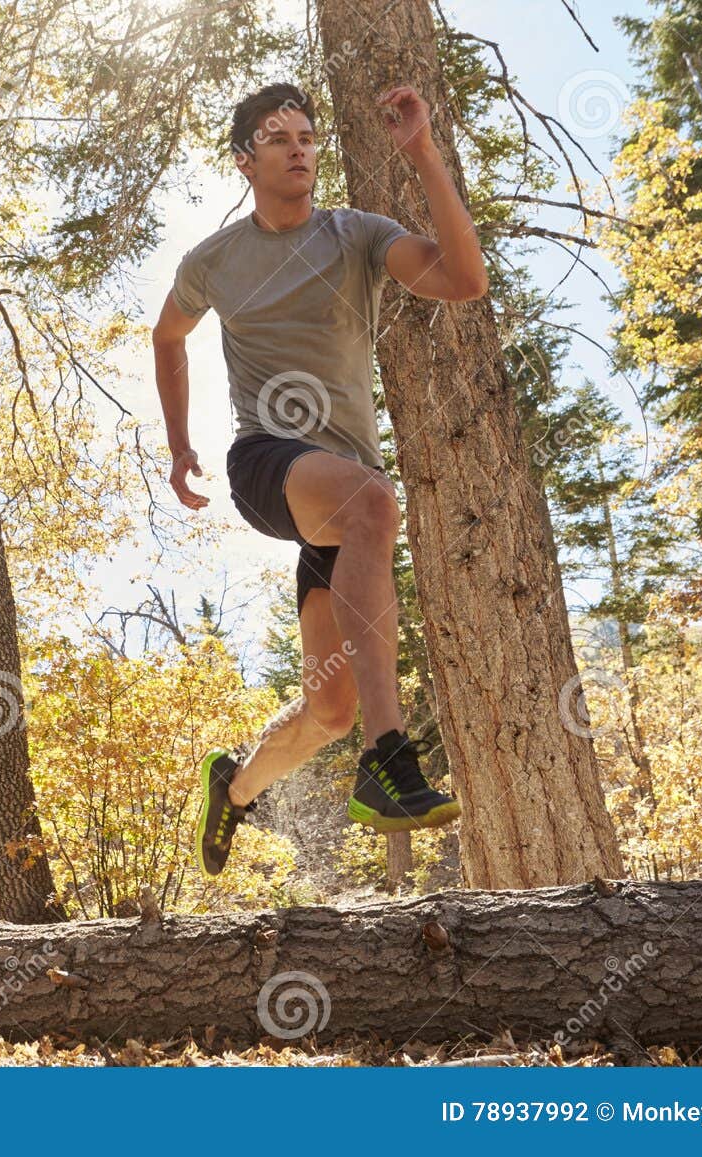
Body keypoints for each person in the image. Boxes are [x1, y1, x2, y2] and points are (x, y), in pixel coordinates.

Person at [150, 81, 489, 876]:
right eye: (278, 136)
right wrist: (177, 443)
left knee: (330, 704)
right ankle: (389, 757)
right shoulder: (215, 261)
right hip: (268, 462)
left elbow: (464, 279)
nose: (299, 146)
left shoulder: (357, 235)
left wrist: (423, 153)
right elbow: (167, 338)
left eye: (307, 134)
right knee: (374, 502)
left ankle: (234, 789)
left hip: (343, 501)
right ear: (246, 159)